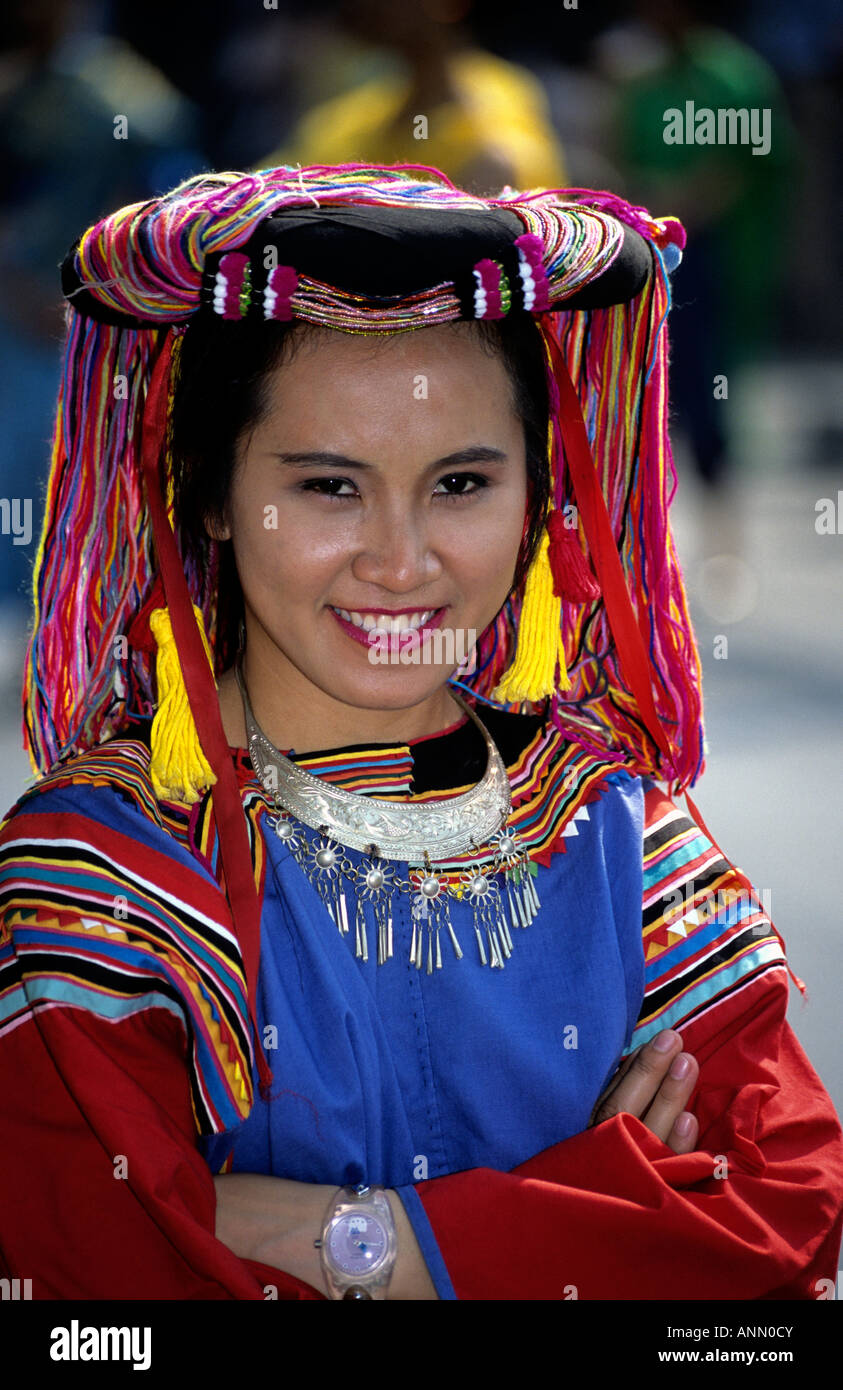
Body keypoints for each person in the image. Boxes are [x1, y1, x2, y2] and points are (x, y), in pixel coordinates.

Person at [0, 163, 841, 1301]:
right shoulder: (106, 867)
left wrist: (375, 1244)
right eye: (329, 488)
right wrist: (599, 1207)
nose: (402, 562)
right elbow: (107, 1283)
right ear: (203, 492)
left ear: (540, 498)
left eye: (459, 482)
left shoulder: (615, 823)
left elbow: (784, 1207)